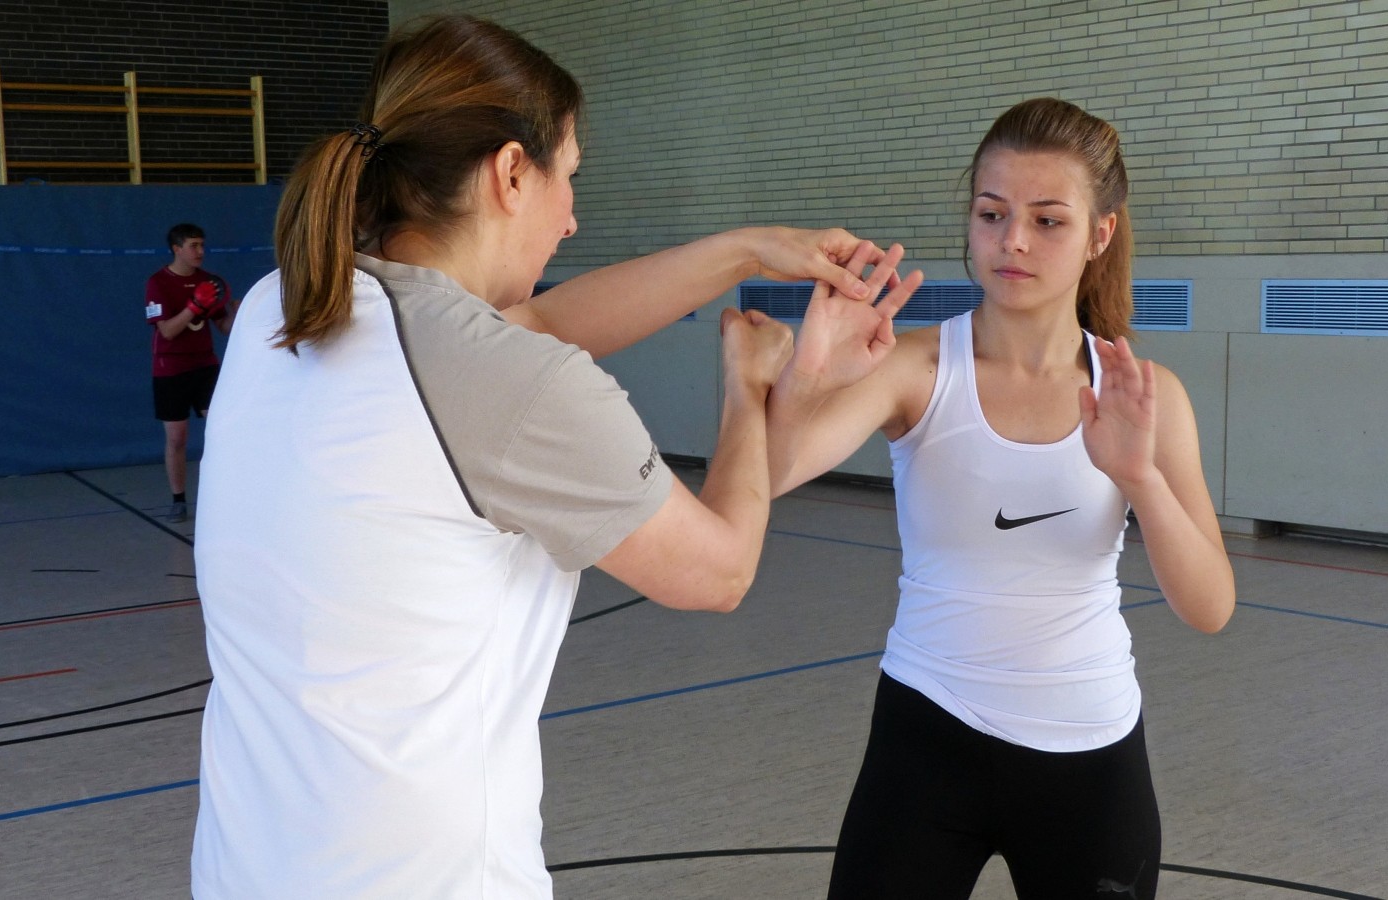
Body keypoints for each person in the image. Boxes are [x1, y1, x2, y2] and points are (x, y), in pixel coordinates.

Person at [189, 14, 911, 899]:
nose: (571, 220)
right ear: (509, 172)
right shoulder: (502, 378)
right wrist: (748, 387)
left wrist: (748, 250)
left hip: (247, 868)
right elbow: (718, 571)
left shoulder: (286, 302)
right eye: (569, 178)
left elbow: (530, 327)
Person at [765, 98, 1236, 900]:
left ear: (1099, 235)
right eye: (992, 214)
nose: (1012, 240)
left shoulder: (1146, 397)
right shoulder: (912, 366)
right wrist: (806, 375)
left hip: (1088, 749)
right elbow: (764, 477)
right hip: (925, 734)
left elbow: (1211, 606)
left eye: (1047, 220)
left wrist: (1140, 478)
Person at [144, 222, 234, 523]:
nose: (200, 252)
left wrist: (238, 312)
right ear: (177, 249)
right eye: (194, 246)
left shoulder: (210, 281)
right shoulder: (158, 283)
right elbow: (167, 331)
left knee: (220, 430)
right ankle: (179, 499)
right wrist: (194, 307)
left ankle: (224, 495)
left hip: (205, 365)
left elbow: (223, 328)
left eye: (202, 245)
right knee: (177, 437)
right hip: (171, 367)